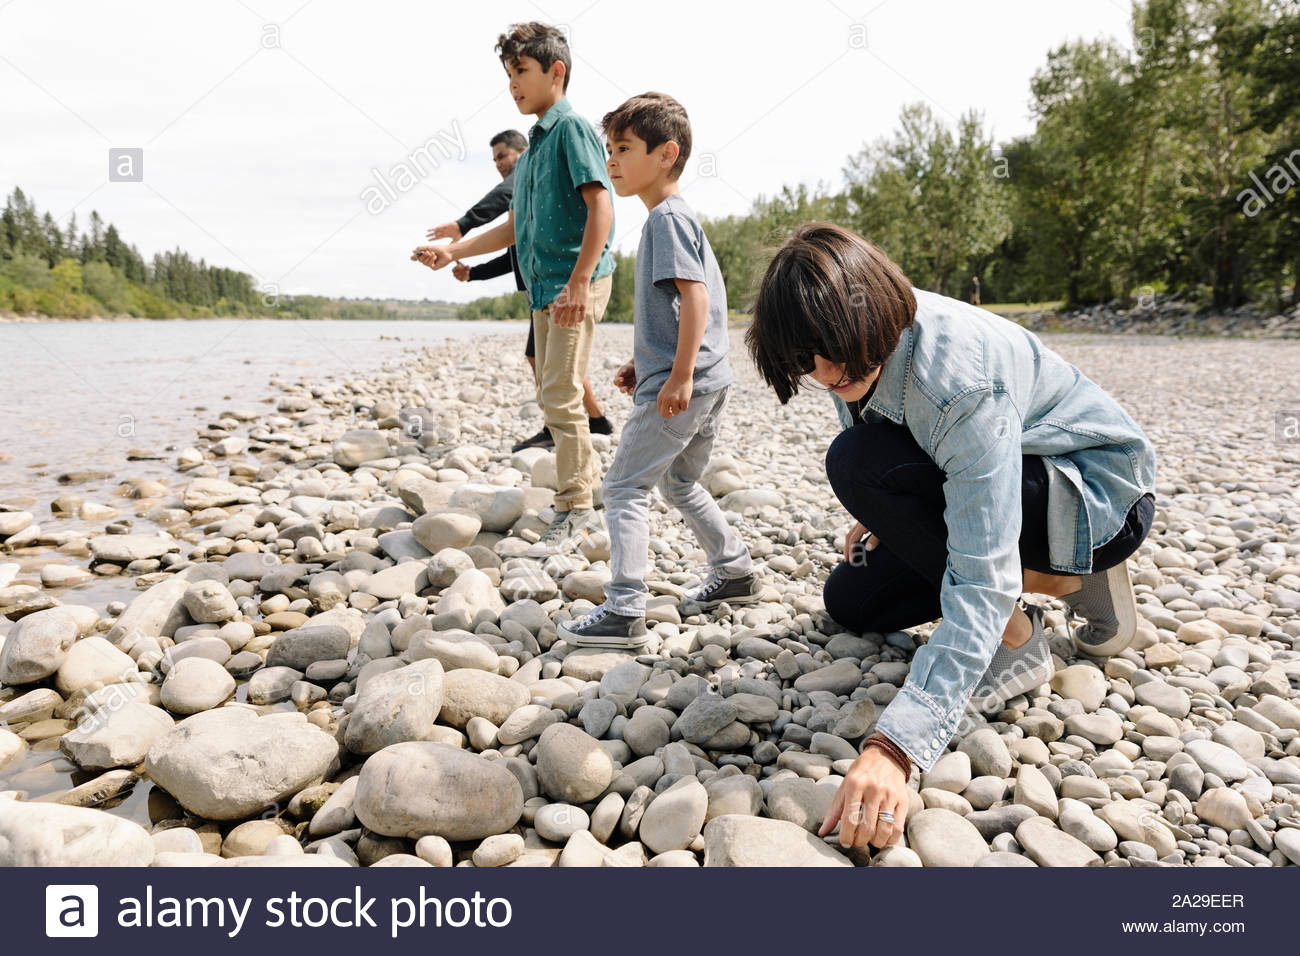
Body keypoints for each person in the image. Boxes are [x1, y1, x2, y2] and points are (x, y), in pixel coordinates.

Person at [745, 222, 1157, 853]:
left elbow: (980, 573)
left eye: (833, 352)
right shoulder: (855, 341)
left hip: (1095, 498)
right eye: (806, 360)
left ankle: (1026, 631)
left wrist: (896, 747)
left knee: (854, 463)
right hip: (1001, 476)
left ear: (869, 318)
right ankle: (1053, 579)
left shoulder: (958, 382)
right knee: (852, 602)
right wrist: (890, 512)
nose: (825, 373)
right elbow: (881, 430)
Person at [557, 93, 760, 649]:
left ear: (666, 154)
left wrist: (677, 377)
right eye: (609, 150)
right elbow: (687, 309)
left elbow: (695, 300)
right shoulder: (673, 218)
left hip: (687, 386)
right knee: (680, 481)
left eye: (624, 149)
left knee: (623, 485)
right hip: (708, 379)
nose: (612, 162)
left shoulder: (665, 220)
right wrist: (645, 363)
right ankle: (735, 570)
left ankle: (624, 609)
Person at [414, 22, 617, 558]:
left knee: (561, 392)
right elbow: (514, 228)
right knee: (551, 390)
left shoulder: (571, 130)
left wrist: (578, 282)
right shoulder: (529, 155)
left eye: (521, 71)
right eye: (508, 75)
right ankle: (584, 494)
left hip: (578, 281)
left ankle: (577, 509)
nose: (512, 84)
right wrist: (454, 252)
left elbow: (602, 206)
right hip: (546, 287)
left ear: (557, 71)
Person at [433, 130, 613, 452]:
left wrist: (464, 224)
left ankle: (563, 435)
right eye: (495, 160)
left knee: (550, 363)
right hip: (541, 289)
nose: (500, 165)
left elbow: (505, 195)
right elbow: (512, 253)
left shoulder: (528, 170)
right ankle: (595, 421)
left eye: (503, 156)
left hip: (559, 286)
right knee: (551, 360)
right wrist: (472, 273)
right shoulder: (527, 201)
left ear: (521, 151)